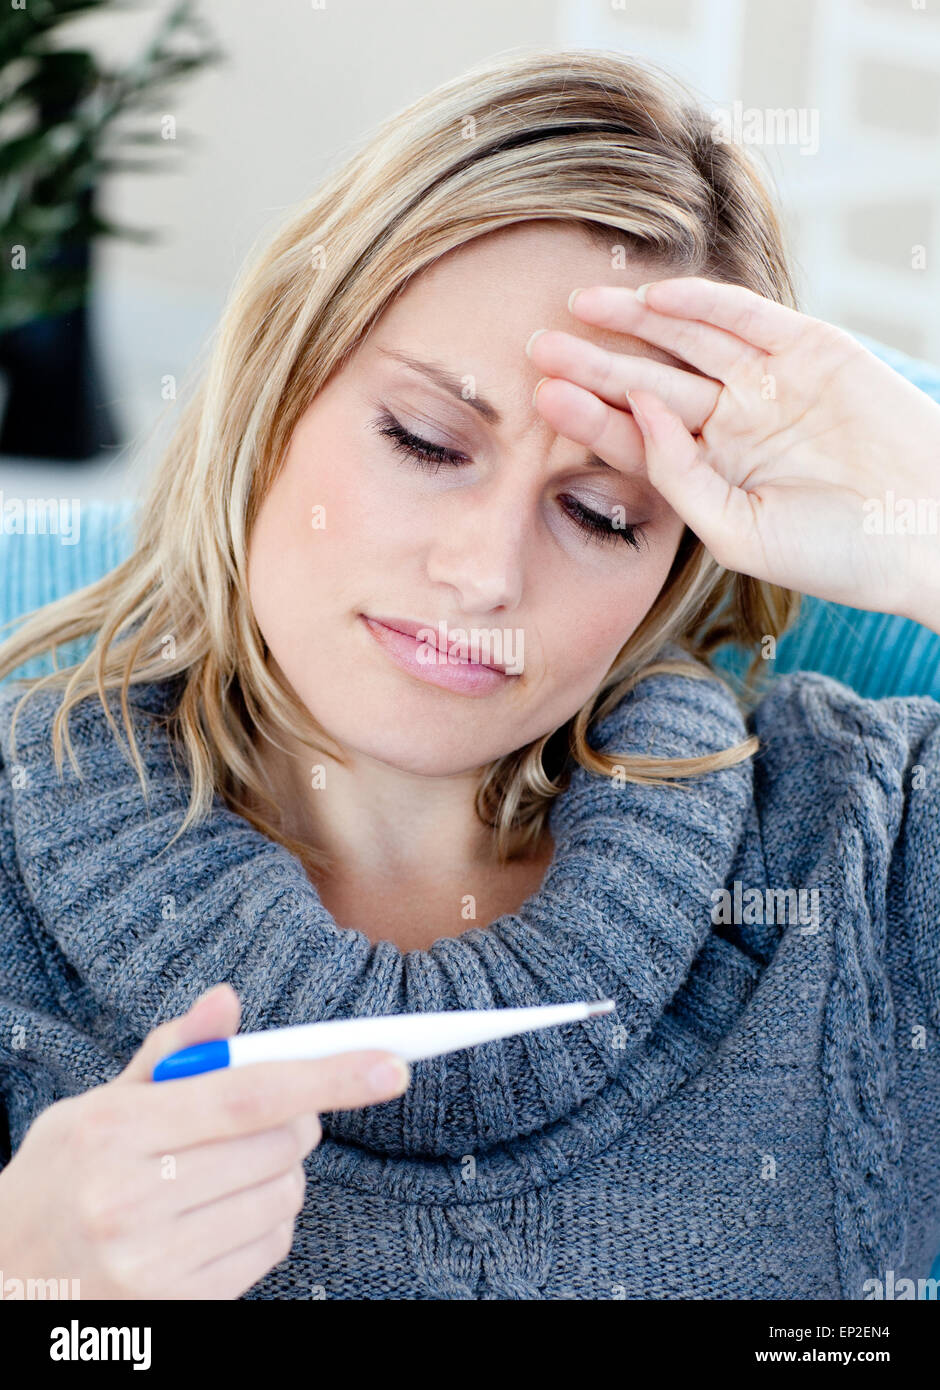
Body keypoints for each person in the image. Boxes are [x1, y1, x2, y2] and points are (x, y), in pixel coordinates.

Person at [0, 48, 938, 1301]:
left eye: (603, 514)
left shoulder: (857, 860)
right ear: (276, 388)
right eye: (426, 439)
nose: (485, 574)